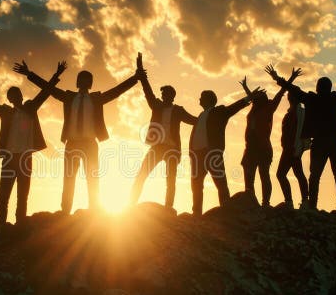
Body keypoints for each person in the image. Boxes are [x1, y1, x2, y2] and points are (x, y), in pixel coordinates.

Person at [14, 56, 143, 213]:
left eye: (86, 79)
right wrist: (29, 74)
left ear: (90, 83)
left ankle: (94, 209)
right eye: (81, 78)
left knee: (92, 178)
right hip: (72, 144)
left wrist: (135, 78)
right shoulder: (69, 97)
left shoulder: (97, 99)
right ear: (77, 82)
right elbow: (49, 89)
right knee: (69, 179)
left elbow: (116, 91)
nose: (83, 81)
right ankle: (65, 210)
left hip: (90, 144)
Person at [266, 62, 336, 213]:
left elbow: (293, 90)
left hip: (319, 142)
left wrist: (277, 78)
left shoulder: (312, 100)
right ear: (330, 88)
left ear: (318, 88)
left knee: (315, 175)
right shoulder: (335, 98)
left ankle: (312, 205)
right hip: (335, 141)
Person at [0, 63, 65, 229]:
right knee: (3, 198)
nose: (15, 97)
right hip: (9, 160)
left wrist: (56, 74)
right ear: (9, 99)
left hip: (25, 159)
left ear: (21, 96)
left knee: (22, 197)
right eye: (12, 95)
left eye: (17, 94)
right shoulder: (6, 112)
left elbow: (45, 93)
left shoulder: (30, 107)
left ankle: (20, 229)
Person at [129, 54, 197, 209]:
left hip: (172, 149)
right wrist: (140, 71)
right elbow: (148, 92)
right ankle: (130, 205)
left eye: (166, 94)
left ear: (172, 97)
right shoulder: (156, 106)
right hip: (157, 147)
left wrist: (208, 114)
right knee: (141, 175)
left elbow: (194, 121)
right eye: (163, 94)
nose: (163, 96)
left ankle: (168, 209)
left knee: (170, 180)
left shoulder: (178, 111)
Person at [239, 68, 300, 207]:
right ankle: (251, 203)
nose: (257, 98)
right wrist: (246, 87)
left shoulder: (269, 107)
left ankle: (265, 203)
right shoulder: (254, 108)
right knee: (249, 177)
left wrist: (291, 78)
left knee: (264, 176)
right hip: (249, 148)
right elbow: (253, 99)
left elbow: (281, 93)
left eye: (259, 96)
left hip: (262, 148)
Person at [189, 88, 254, 216]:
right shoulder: (201, 115)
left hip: (212, 153)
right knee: (196, 186)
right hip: (197, 155)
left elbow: (232, 108)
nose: (199, 99)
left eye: (202, 96)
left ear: (208, 99)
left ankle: (226, 212)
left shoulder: (219, 111)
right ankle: (196, 214)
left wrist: (248, 98)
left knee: (221, 184)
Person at [276, 85, 310, 209]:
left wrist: (293, 148)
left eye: (290, 95)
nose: (288, 96)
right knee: (299, 174)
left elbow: (294, 133)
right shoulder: (299, 112)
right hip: (295, 148)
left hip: (290, 149)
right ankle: (305, 201)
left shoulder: (295, 113)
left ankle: (289, 202)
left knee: (281, 174)